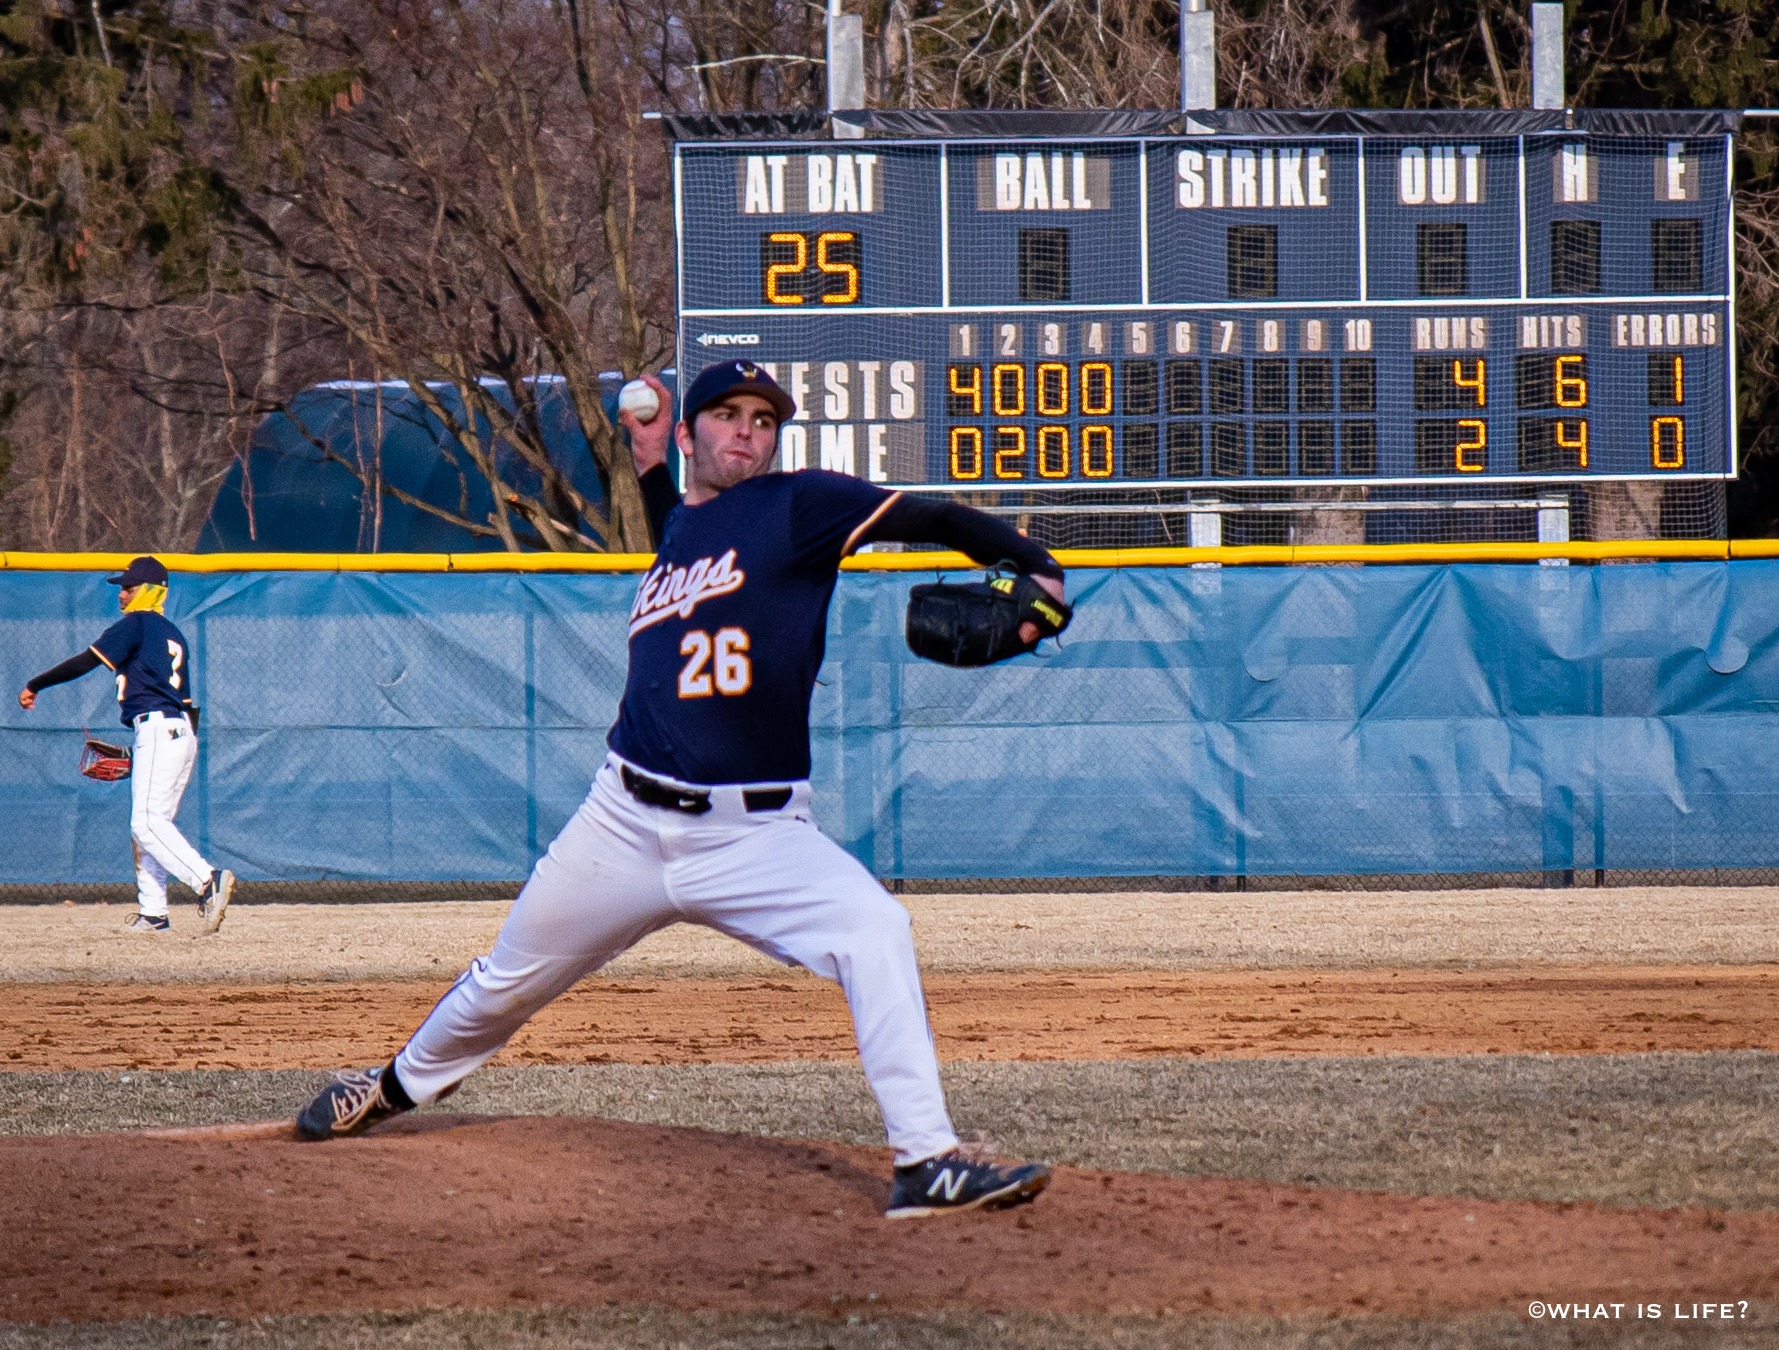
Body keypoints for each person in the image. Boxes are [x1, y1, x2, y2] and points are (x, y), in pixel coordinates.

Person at [295, 360, 1068, 1220]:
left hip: (758, 836)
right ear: (696, 430)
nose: (748, 430)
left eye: (764, 419)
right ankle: (392, 1086)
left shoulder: (797, 506)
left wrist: (1034, 564)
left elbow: (931, 516)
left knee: (876, 929)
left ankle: (926, 1162)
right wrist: (650, 462)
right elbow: (685, 526)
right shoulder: (681, 530)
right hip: (620, 824)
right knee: (505, 982)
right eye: (728, 415)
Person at [19, 555, 234, 934]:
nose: (121, 593)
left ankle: (207, 881)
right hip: (178, 731)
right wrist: (153, 752)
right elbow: (180, 702)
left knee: (146, 822)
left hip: (157, 728)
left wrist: (36, 684)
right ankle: (154, 913)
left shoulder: (136, 624)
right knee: (150, 825)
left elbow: (85, 661)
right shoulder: (173, 633)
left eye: (128, 587)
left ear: (149, 591)